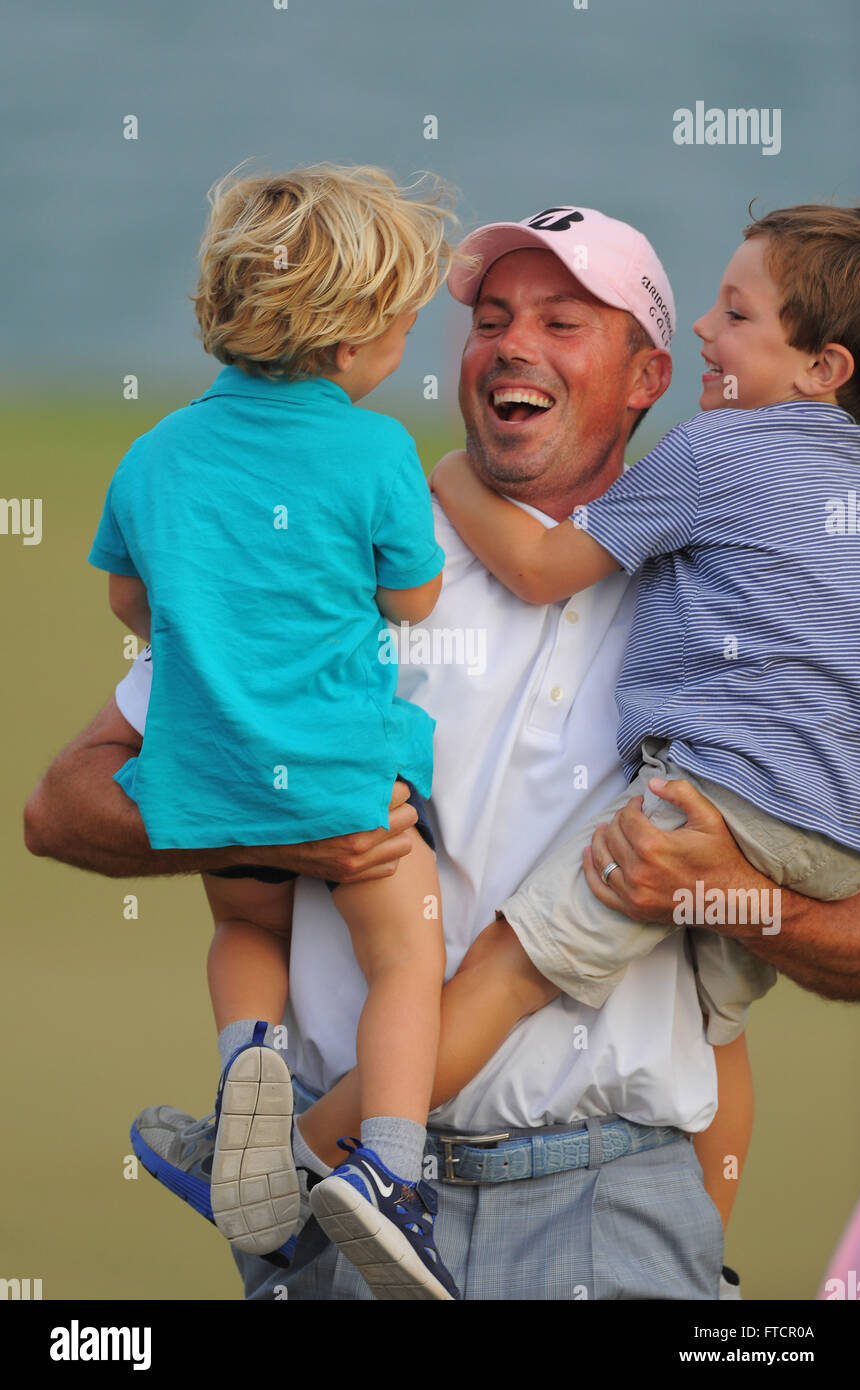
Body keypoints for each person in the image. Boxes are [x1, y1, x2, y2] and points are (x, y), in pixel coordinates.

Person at [24, 203, 860, 1301]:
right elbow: (66, 805)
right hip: (342, 1233)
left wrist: (740, 895)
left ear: (650, 374)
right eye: (489, 318)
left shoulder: (745, 599)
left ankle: (288, 1163)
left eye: (564, 320)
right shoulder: (352, 552)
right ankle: (301, 1171)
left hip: (622, 1206)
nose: (512, 344)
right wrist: (309, 824)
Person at [86, 162, 460, 1298]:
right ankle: (387, 1171)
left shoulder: (154, 455)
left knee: (247, 927)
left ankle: (250, 1059)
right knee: (406, 952)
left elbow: (131, 605)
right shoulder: (375, 451)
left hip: (206, 777)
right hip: (346, 779)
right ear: (352, 347)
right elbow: (415, 596)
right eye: (402, 323)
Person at [426, 203, 860, 1070]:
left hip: (718, 798)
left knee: (509, 972)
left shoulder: (713, 451)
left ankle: (338, 1155)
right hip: (835, 834)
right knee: (712, 1039)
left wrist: (446, 471)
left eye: (736, 315)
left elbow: (542, 567)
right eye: (490, 321)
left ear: (824, 365)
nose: (710, 324)